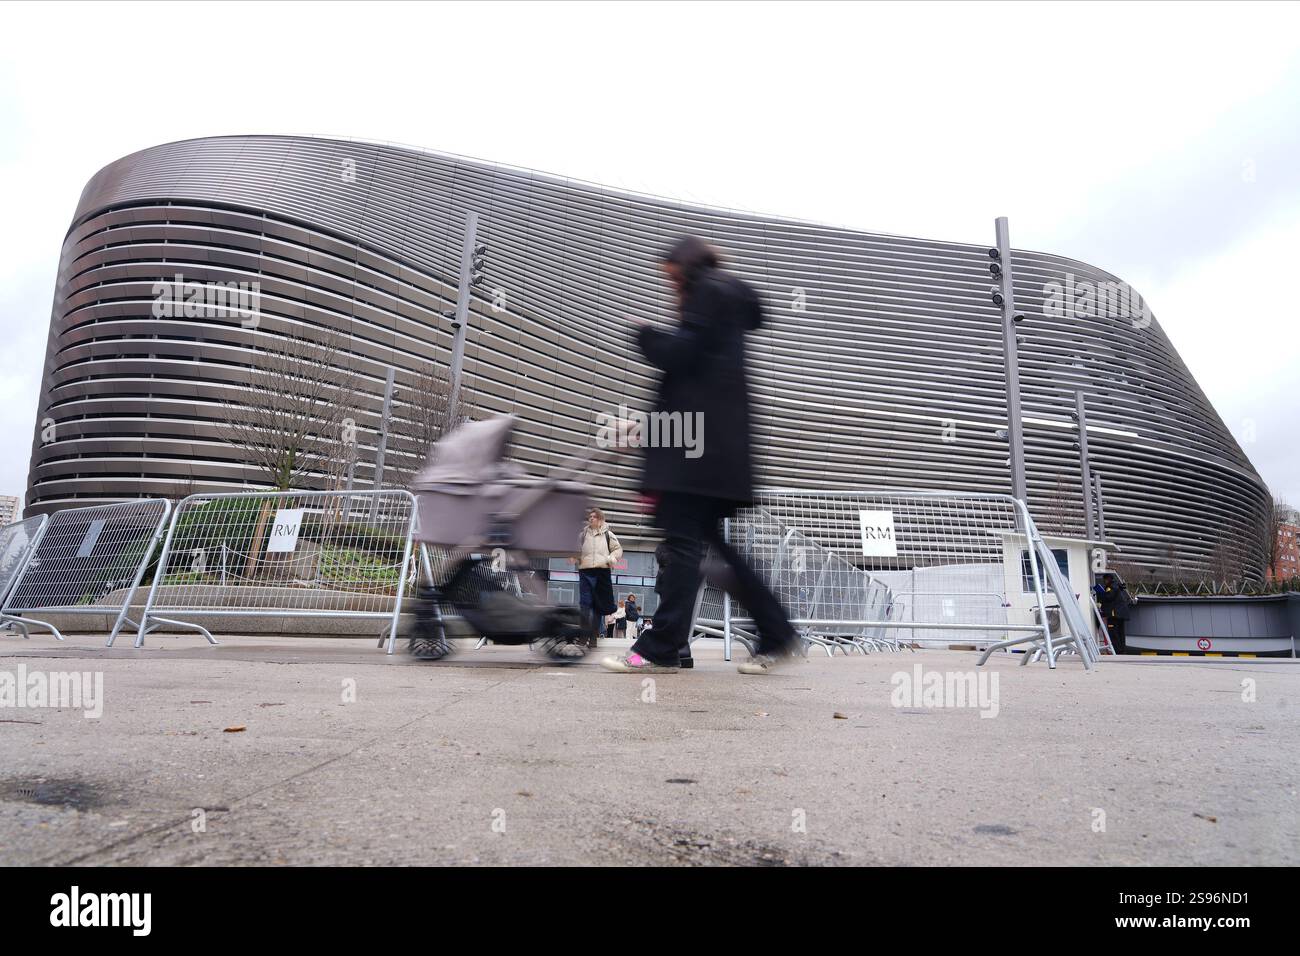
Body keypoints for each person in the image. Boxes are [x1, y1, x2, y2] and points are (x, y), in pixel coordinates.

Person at [602, 236, 798, 675]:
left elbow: (683, 357)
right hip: (707, 451)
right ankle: (774, 633)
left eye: (671, 276)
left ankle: (663, 644)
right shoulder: (724, 299)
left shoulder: (707, 292)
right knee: (708, 549)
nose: (671, 287)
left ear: (684, 269)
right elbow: (700, 387)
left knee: (684, 547)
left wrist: (645, 335)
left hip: (695, 456)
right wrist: (646, 428)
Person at [574, 507, 622, 648]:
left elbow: (618, 549)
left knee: (597, 606)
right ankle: (583, 636)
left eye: (594, 517)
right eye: (590, 516)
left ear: (600, 519)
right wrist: (573, 556)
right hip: (585, 571)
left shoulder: (608, 534)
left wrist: (612, 557)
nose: (591, 518)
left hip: (602, 571)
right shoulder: (582, 535)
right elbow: (575, 549)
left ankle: (593, 637)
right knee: (584, 604)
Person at [1093, 572, 1132, 654]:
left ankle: (1117, 651)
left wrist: (1099, 592)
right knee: (1120, 632)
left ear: (1108, 579)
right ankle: (1122, 650)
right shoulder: (1118, 587)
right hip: (1121, 614)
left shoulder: (1111, 587)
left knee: (1113, 633)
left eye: (1105, 580)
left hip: (1114, 615)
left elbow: (1108, 597)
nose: (1104, 581)